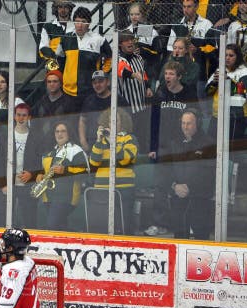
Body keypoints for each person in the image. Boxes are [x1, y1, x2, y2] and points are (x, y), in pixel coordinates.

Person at [148, 60, 197, 236]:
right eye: (166, 73)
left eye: (171, 74)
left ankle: (188, 223)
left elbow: (194, 122)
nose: (167, 77)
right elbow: (153, 122)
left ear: (179, 77)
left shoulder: (189, 94)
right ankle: (159, 224)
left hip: (183, 148)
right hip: (163, 147)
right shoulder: (159, 94)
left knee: (184, 185)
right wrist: (152, 147)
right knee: (160, 185)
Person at [88, 108, 138, 235]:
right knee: (100, 227)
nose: (113, 123)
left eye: (116, 120)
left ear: (123, 122)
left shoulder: (130, 138)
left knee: (123, 227)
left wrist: (112, 142)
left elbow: (126, 159)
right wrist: (99, 141)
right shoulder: (102, 141)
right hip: (102, 189)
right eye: (110, 121)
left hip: (123, 189)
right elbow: (93, 163)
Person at [169, 109, 216, 239]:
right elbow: (169, 169)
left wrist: (190, 187)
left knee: (201, 236)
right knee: (179, 235)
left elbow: (209, 173)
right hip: (179, 195)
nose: (185, 127)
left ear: (198, 123)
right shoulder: (175, 143)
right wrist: (174, 186)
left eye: (189, 123)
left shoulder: (208, 143)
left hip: (200, 197)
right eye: (183, 123)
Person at [34, 121, 89, 231]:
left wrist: (65, 170)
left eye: (63, 131)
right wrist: (39, 175)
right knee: (60, 227)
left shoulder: (75, 150)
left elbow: (85, 172)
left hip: (66, 197)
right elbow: (44, 171)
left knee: (52, 225)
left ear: (69, 133)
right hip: (48, 197)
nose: (60, 134)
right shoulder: (50, 152)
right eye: (57, 131)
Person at [55, 7, 111, 105]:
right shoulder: (65, 39)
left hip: (91, 91)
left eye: (83, 22)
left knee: (88, 119)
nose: (80, 25)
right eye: (77, 22)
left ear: (89, 23)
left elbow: (111, 58)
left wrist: (103, 73)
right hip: (67, 91)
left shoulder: (98, 39)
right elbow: (59, 60)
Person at [206, 44, 247, 143]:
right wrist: (215, 83)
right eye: (225, 55)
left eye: (231, 55)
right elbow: (207, 92)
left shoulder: (245, 72)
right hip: (217, 115)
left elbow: (242, 93)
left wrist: (227, 80)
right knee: (211, 145)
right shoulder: (219, 70)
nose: (227, 58)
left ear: (237, 57)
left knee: (231, 148)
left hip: (237, 116)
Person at [78, 70, 128, 155]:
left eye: (101, 81)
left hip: (114, 146)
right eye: (94, 83)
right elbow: (82, 121)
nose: (97, 85)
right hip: (92, 145)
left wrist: (121, 142)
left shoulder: (118, 100)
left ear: (108, 82)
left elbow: (126, 123)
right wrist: (83, 141)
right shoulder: (89, 100)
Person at [117, 31, 152, 147]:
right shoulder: (117, 59)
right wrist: (133, 75)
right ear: (120, 44)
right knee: (129, 137)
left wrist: (148, 87)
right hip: (127, 107)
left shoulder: (139, 58)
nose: (130, 42)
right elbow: (122, 70)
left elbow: (144, 74)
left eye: (132, 40)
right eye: (127, 40)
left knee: (142, 135)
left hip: (141, 104)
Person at [10, 103, 41, 229]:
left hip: (28, 184)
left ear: (29, 117)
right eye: (18, 115)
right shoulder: (6, 135)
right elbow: (1, 160)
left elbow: (40, 160)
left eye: (24, 115)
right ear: (14, 116)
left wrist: (32, 174)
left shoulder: (37, 136)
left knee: (29, 219)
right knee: (8, 219)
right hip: (11, 185)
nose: (21, 118)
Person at [155, 37, 199, 101]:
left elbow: (190, 83)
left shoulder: (193, 66)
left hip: (186, 98)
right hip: (167, 97)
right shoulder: (167, 64)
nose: (177, 50)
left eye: (180, 48)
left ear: (186, 50)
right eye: (175, 48)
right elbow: (162, 80)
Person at [38, 0, 75, 71]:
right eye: (60, 7)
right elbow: (43, 47)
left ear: (70, 9)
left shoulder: (76, 27)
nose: (63, 10)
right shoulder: (48, 27)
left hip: (71, 65)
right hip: (54, 64)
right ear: (56, 9)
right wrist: (55, 58)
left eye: (66, 7)